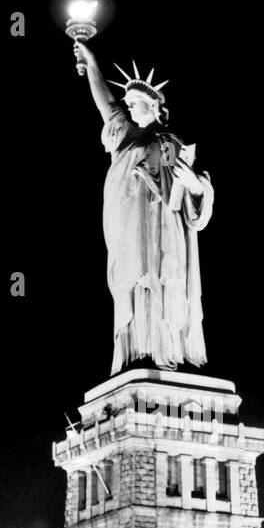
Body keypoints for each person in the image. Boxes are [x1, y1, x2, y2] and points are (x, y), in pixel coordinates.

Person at [73, 40, 214, 375]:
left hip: (164, 231)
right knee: (134, 284)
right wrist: (92, 64)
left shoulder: (168, 142)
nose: (128, 106)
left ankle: (164, 351)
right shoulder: (125, 137)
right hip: (130, 230)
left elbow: (186, 196)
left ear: (154, 107)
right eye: (128, 102)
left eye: (135, 102)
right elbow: (106, 104)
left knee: (164, 283)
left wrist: (196, 186)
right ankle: (137, 351)